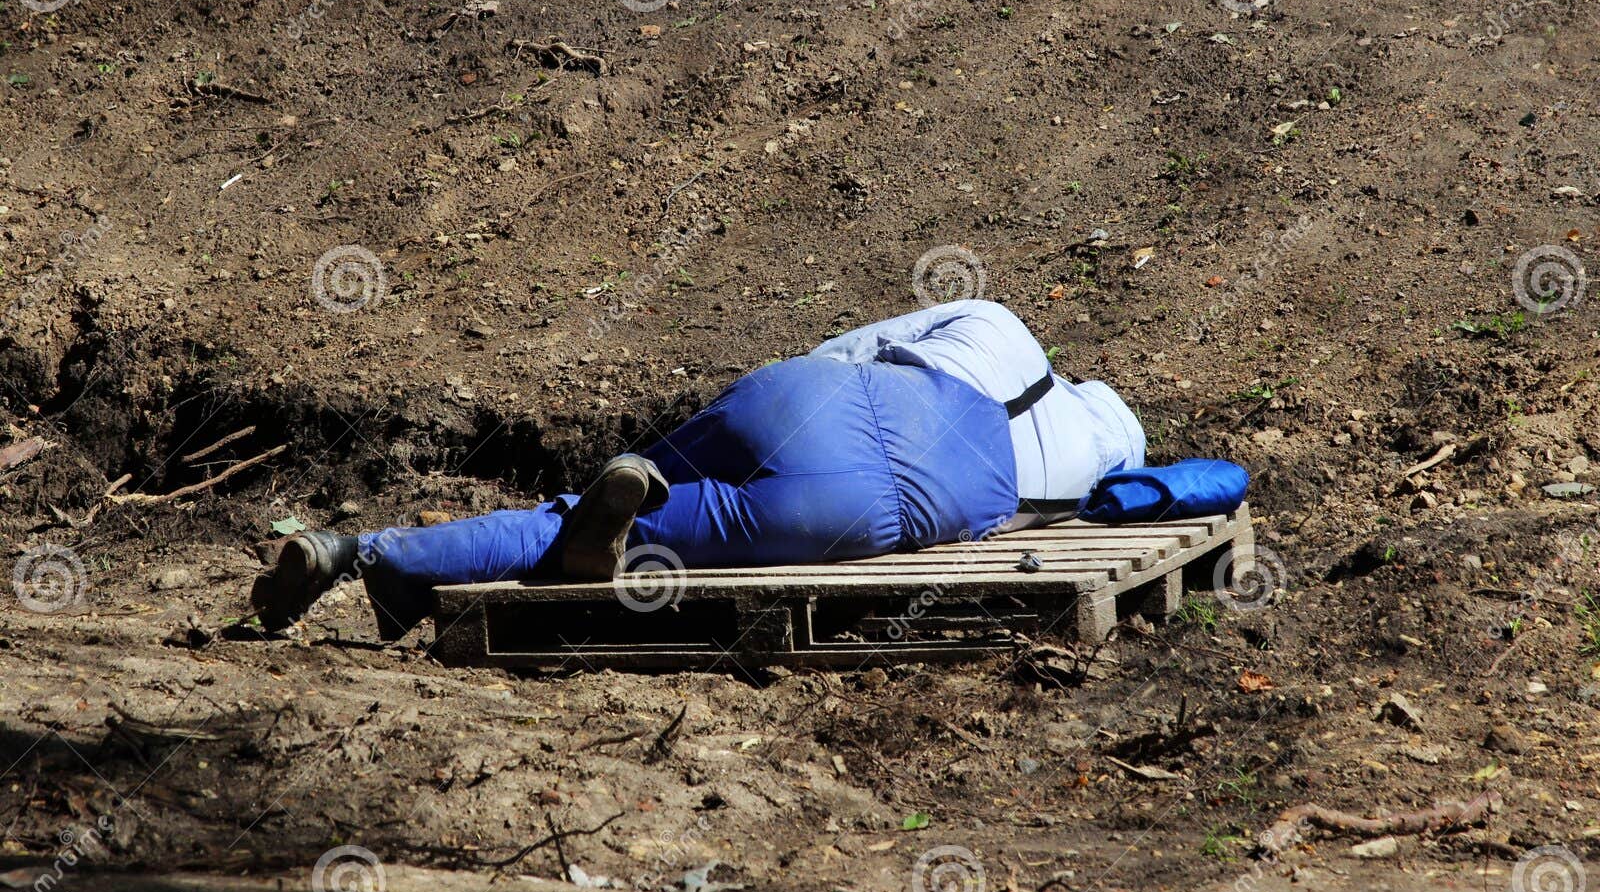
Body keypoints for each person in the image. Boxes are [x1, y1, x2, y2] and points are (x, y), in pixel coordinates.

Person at [250, 299, 1146, 638]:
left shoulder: (998, 325)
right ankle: (370, 555)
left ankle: (355, 550)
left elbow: (845, 349)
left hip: (809, 400)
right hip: (852, 503)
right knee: (567, 527)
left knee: (599, 494)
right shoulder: (1081, 466)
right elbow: (1134, 488)